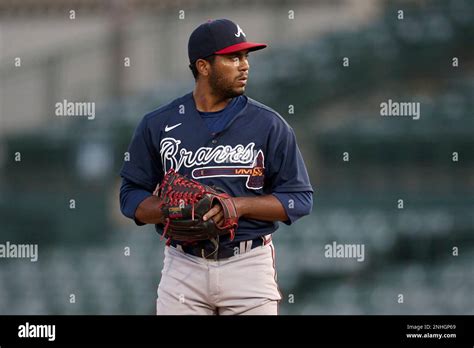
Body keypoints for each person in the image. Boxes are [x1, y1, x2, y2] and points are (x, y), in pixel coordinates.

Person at [119, 18, 313, 315]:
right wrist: (169, 210)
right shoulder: (158, 123)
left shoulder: (269, 124)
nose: (245, 65)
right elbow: (130, 195)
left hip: (248, 264)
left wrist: (239, 206)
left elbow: (299, 199)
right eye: (233, 57)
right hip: (183, 265)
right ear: (203, 66)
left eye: (246, 57)